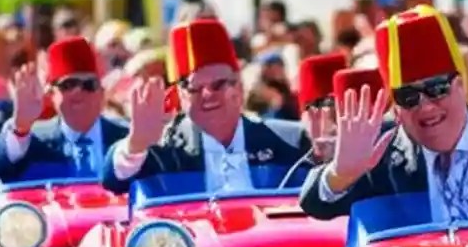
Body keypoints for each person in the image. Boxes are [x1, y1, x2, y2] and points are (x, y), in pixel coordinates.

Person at [298, 5, 468, 221]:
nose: (426, 106)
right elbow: (315, 206)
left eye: (438, 88)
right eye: (408, 97)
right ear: (395, 108)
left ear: (460, 86)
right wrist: (342, 173)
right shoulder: (377, 153)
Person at [101, 19, 313, 194]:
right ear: (182, 96)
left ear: (239, 88)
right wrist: (136, 144)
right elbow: (113, 180)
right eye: (195, 88)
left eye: (218, 84)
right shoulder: (163, 150)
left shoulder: (290, 141)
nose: (208, 95)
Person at [0, 37, 129, 182]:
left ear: (102, 93)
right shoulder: (31, 139)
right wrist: (20, 126)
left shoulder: (128, 138)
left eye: (89, 85)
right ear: (51, 94)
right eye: (68, 84)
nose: (78, 91)